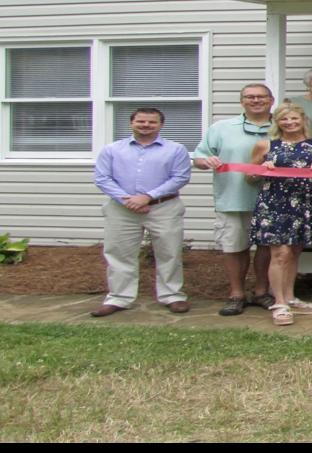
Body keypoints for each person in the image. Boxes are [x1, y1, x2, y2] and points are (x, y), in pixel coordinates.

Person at [90, 108, 191, 317]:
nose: (146, 125)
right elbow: (102, 178)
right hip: (121, 208)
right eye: (141, 121)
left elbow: (180, 178)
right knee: (119, 253)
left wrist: (147, 197)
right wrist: (127, 200)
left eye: (152, 122)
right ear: (131, 123)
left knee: (169, 252)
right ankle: (119, 297)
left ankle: (172, 295)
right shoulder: (112, 149)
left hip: (164, 207)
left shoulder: (175, 150)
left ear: (161, 125)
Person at [191, 83, 275, 316]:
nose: (255, 100)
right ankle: (236, 294)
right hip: (233, 197)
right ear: (242, 101)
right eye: (249, 97)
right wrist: (206, 161)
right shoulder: (222, 128)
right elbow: (200, 157)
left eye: (261, 97)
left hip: (274, 199)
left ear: (271, 100)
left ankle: (262, 291)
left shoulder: (283, 125)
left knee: (267, 247)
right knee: (234, 247)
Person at [248, 102, 312, 326]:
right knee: (280, 254)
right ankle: (279, 302)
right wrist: (263, 169)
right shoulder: (265, 146)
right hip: (275, 203)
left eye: (294, 118)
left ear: (304, 120)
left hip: (306, 203)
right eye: (284, 119)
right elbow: (248, 176)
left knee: (293, 252)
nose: (290, 123)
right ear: (277, 122)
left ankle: (290, 296)